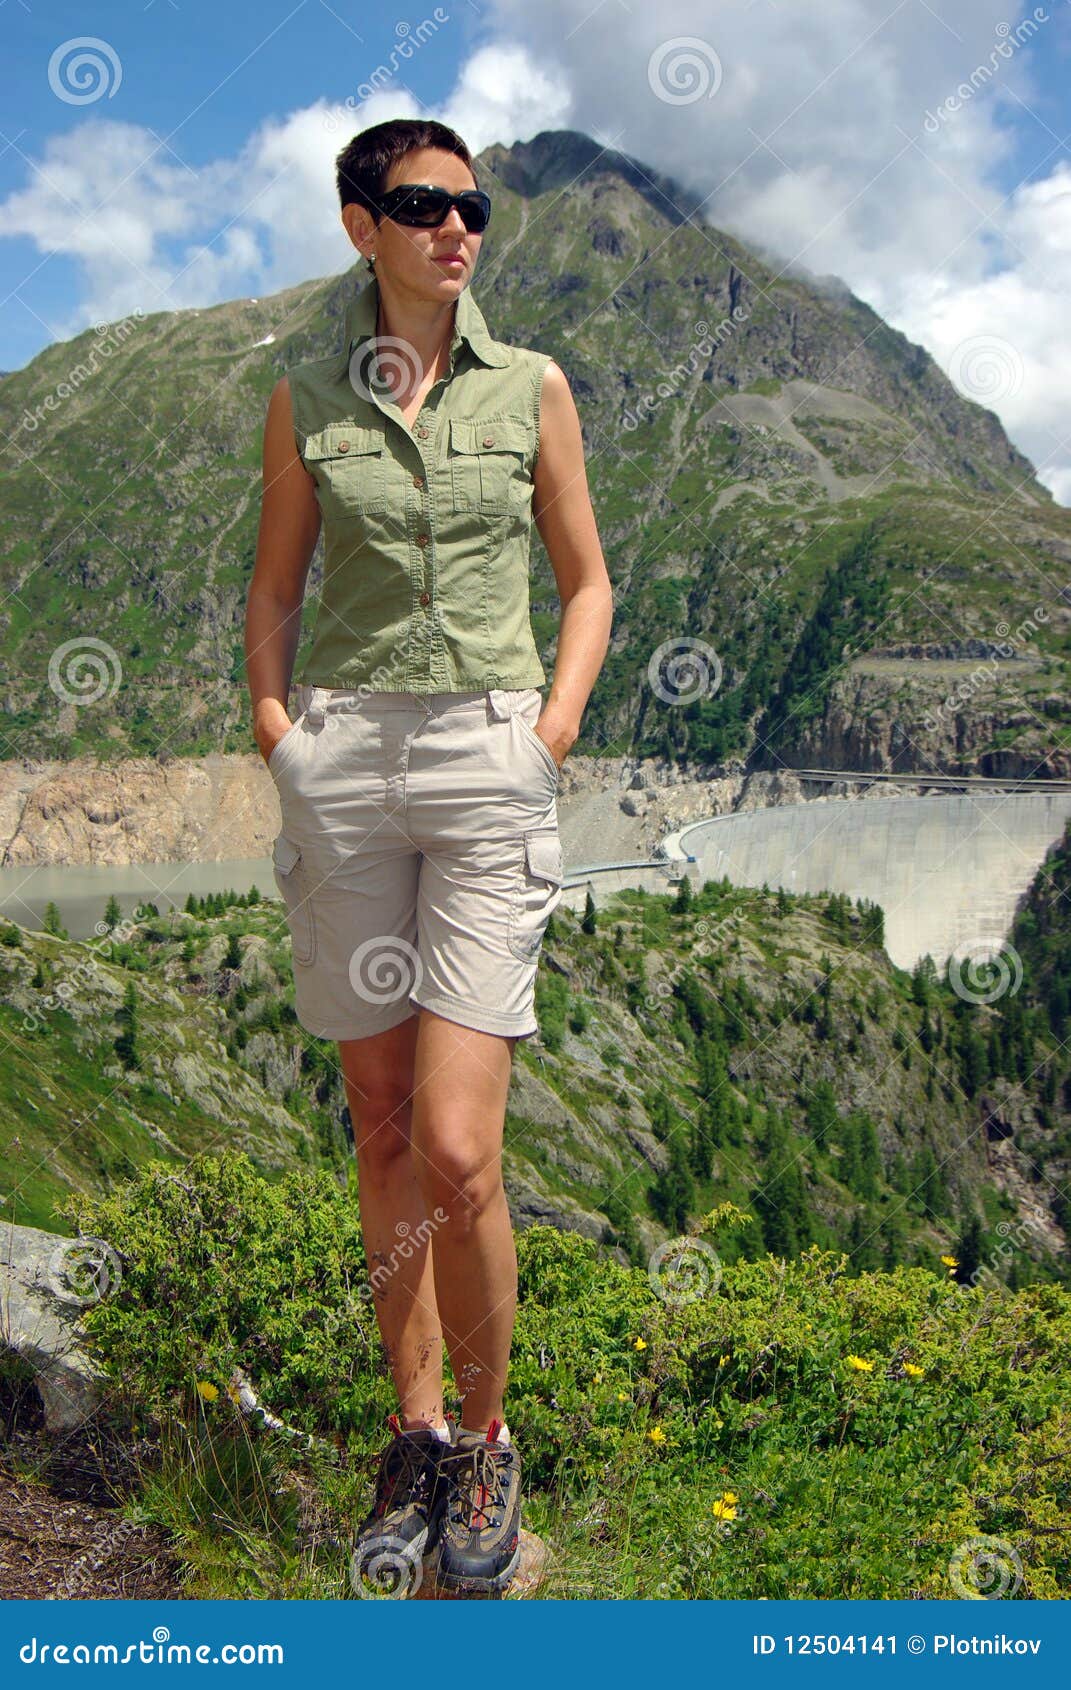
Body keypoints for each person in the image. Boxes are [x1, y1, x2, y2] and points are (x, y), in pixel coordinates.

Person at [244, 116, 612, 1594]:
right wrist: (280, 729)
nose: (456, 228)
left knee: (462, 1148)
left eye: (472, 206)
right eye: (422, 205)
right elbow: (273, 589)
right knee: (382, 1129)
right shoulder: (305, 400)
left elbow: (586, 581)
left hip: (484, 761)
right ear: (360, 226)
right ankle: (414, 1443)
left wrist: (547, 737)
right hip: (344, 761)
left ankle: (490, 1438)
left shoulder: (533, 389)